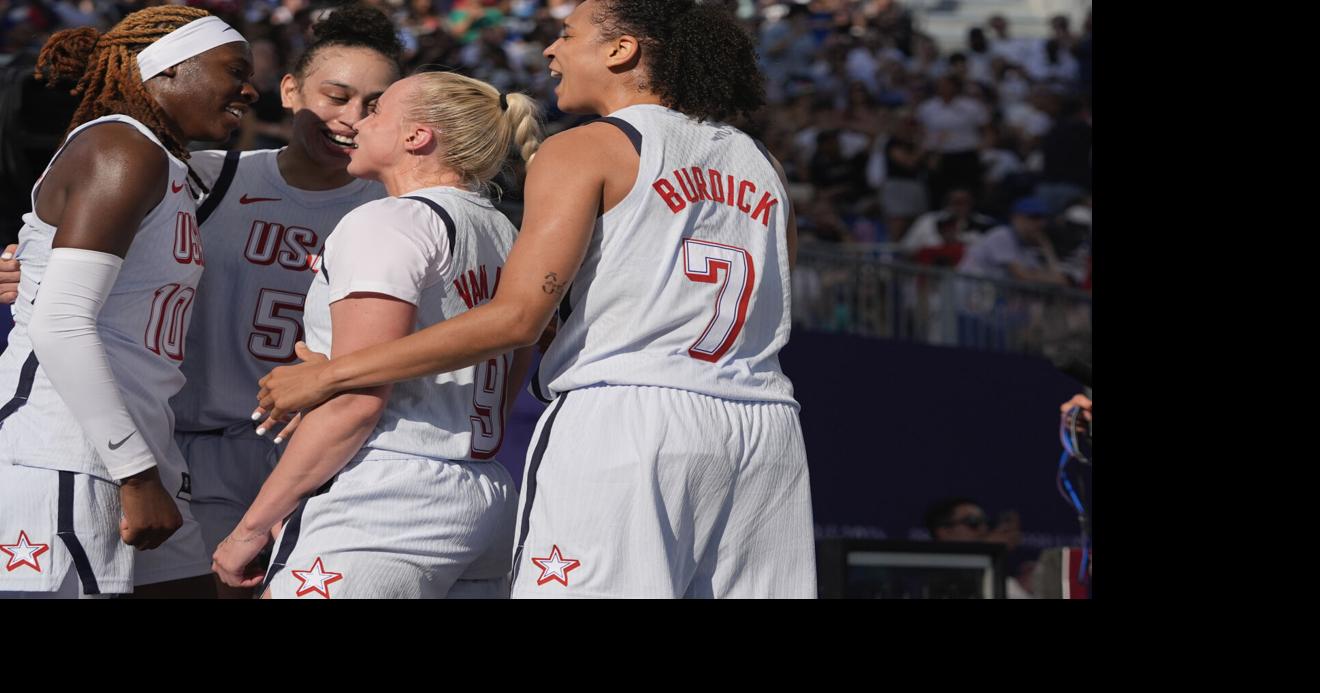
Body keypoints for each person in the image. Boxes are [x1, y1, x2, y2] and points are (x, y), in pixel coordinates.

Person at [255, 0, 815, 598]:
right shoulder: (764, 164)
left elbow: (519, 319)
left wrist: (334, 375)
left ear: (621, 50)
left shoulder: (586, 147)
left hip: (629, 416)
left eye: (568, 34)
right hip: (764, 428)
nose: (551, 50)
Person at [212, 70, 543, 599]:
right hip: (481, 488)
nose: (359, 122)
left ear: (417, 137)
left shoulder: (389, 221)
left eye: (377, 110)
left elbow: (356, 404)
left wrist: (248, 529)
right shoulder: (504, 230)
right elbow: (510, 375)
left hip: (384, 494)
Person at [0, 5, 255, 598]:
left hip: (133, 445)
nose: (251, 87)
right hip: (70, 450)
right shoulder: (122, 147)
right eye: (233, 68)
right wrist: (134, 474)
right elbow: (60, 322)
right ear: (164, 71)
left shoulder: (164, 163)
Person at [170, 3, 400, 599]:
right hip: (199, 448)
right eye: (336, 96)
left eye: (373, 105)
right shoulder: (205, 177)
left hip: (325, 460)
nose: (351, 118)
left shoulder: (395, 212)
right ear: (292, 90)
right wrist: (25, 265)